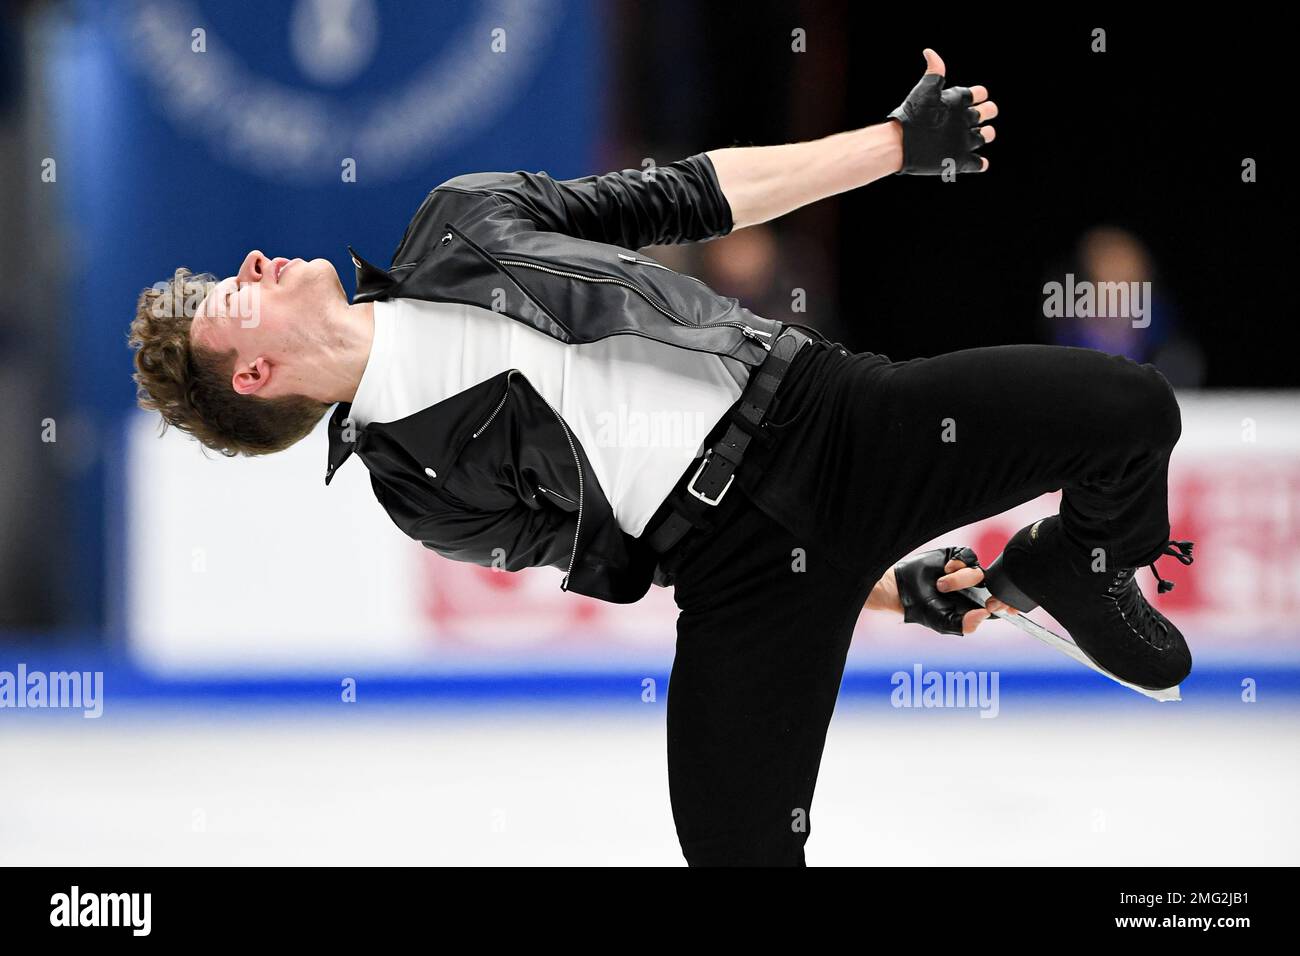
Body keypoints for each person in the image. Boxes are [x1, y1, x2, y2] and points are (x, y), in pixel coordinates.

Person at [128, 50, 1193, 865]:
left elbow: (687, 193)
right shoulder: (419, 490)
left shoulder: (459, 220)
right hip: (736, 575)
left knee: (1128, 407)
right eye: (239, 295)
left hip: (828, 414)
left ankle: (1077, 565)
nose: (258, 262)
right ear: (256, 379)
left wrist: (892, 145)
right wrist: (894, 593)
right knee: (734, 850)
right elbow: (622, 552)